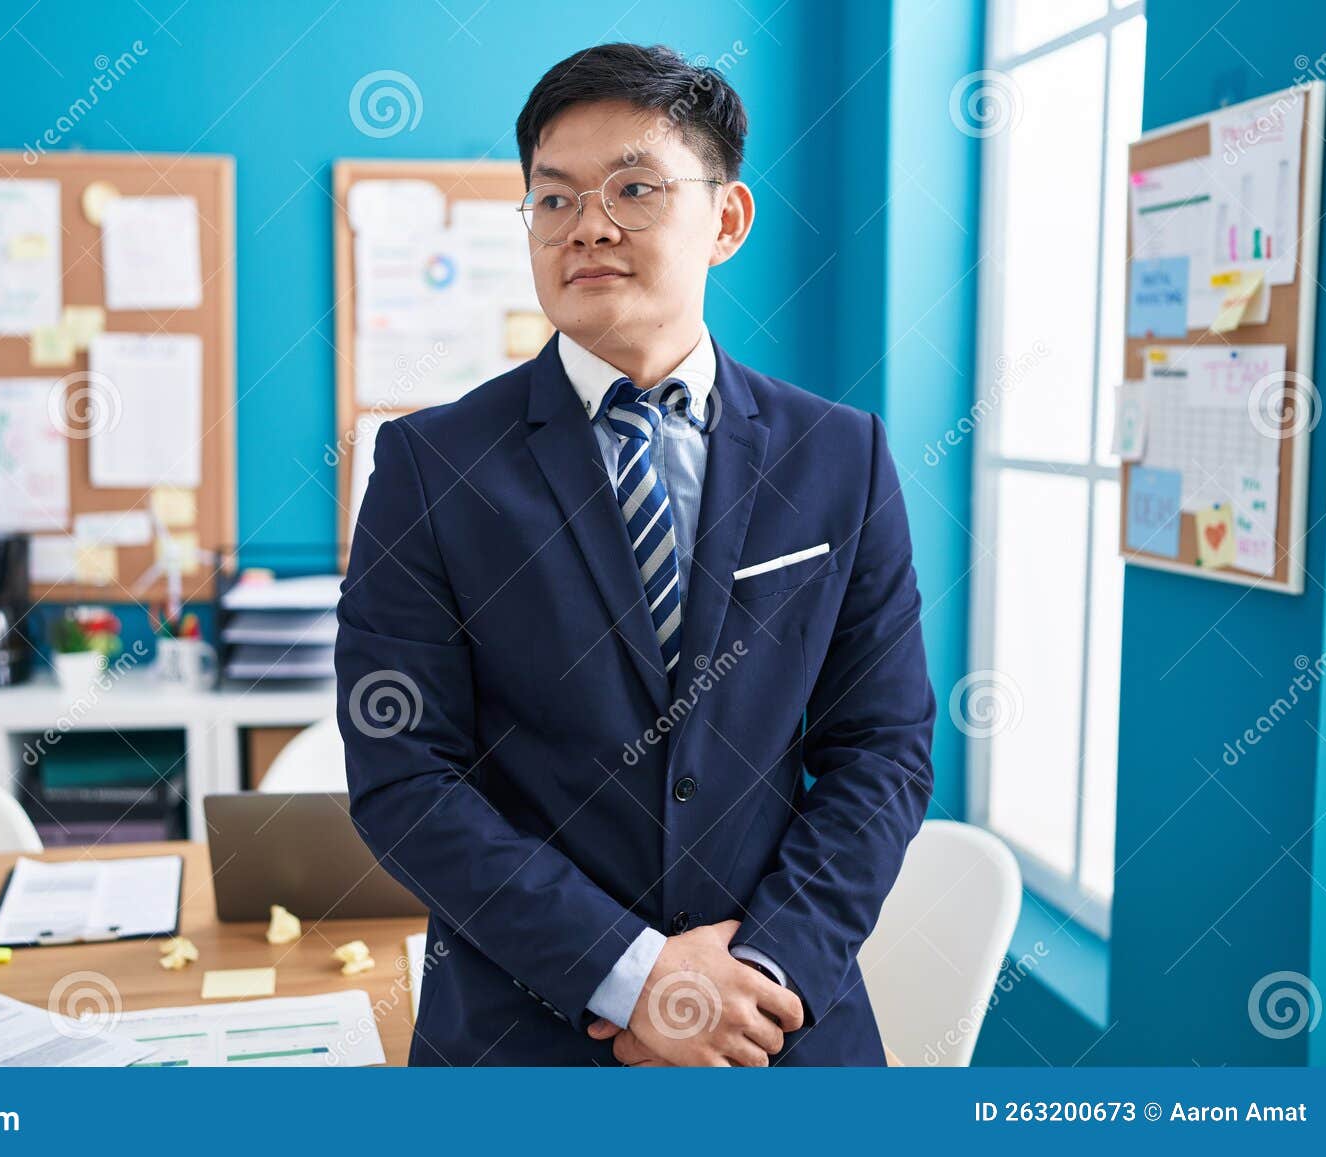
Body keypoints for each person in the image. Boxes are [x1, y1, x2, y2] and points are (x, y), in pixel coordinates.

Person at [336, 42, 935, 1066]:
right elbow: (404, 775)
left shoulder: (840, 455)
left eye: (635, 189)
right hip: (527, 1030)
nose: (590, 226)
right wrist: (634, 974)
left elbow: (879, 749)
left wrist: (762, 971)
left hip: (773, 1025)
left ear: (726, 220)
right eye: (554, 200)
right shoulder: (429, 465)